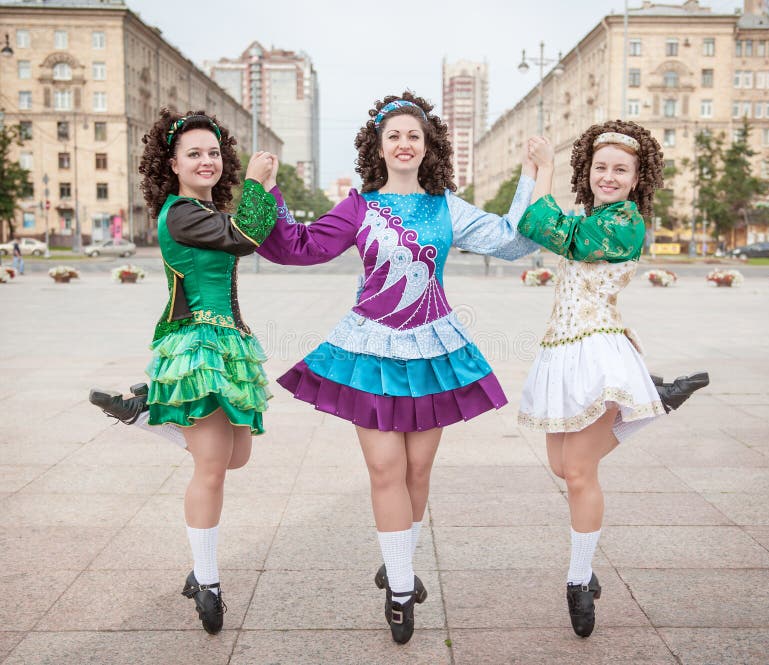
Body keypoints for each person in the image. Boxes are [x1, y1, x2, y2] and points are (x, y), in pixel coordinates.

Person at [256, 92, 541, 644]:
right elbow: (299, 247)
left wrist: (534, 175)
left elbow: (514, 242)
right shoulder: (358, 206)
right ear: (379, 147)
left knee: (417, 471)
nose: (405, 144)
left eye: (415, 135)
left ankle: (398, 563)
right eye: (395, 136)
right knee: (386, 469)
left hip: (433, 351)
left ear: (427, 145)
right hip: (372, 351)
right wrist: (268, 191)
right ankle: (403, 590)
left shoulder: (447, 208)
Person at [515, 120, 709, 638]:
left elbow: (552, 231)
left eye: (620, 169)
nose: (608, 175)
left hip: (597, 350)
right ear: (590, 170)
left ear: (638, 177)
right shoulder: (598, 213)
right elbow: (550, 228)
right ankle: (658, 399)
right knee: (561, 465)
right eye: (601, 166)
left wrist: (544, 171)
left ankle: (579, 580)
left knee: (578, 472)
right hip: (565, 348)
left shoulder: (625, 222)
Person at [88, 109, 278, 634]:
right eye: (193, 153)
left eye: (213, 153)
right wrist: (260, 184)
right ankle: (208, 580)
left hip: (228, 343)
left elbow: (240, 232)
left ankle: (148, 409)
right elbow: (246, 235)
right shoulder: (179, 213)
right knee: (212, 465)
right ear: (172, 163)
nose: (206, 161)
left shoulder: (202, 209)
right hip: (197, 345)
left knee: (237, 456)